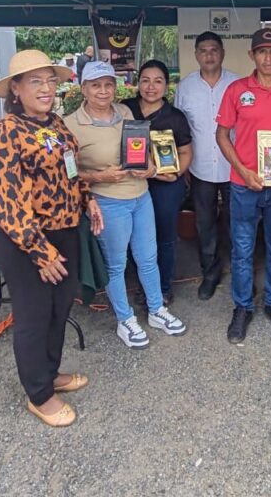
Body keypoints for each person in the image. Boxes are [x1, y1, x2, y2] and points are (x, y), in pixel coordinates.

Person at [0, 50, 104, 428]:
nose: (47, 88)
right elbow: (5, 200)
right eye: (36, 81)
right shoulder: (5, 133)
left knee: (59, 309)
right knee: (34, 316)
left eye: (51, 81)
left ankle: (49, 374)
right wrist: (39, 250)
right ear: (16, 89)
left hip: (65, 232)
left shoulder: (56, 126)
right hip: (27, 243)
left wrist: (88, 198)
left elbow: (68, 174)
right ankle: (38, 394)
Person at [64, 61, 186, 349]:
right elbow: (65, 174)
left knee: (148, 258)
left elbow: (139, 149)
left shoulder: (125, 112)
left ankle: (157, 310)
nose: (103, 91)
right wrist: (98, 176)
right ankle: (125, 319)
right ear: (84, 89)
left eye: (108, 84)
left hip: (141, 195)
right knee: (116, 264)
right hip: (109, 201)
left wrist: (150, 168)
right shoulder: (69, 125)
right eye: (96, 85)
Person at [216, 29, 271, 344]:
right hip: (244, 184)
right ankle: (242, 307)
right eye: (262, 52)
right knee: (242, 249)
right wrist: (242, 169)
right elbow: (222, 135)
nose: (268, 58)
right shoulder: (237, 90)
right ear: (252, 55)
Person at [173, 31, 239, 300]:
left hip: (235, 166)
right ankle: (210, 274)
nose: (209, 55)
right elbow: (180, 130)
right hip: (200, 168)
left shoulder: (238, 84)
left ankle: (240, 273)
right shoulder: (185, 87)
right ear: (196, 55)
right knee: (206, 224)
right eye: (203, 50)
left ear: (222, 53)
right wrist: (183, 164)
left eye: (214, 50)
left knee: (238, 223)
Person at [125, 60, 194, 305]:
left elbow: (186, 153)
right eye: (145, 80)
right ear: (137, 83)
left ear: (167, 86)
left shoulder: (175, 117)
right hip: (130, 184)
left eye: (158, 81)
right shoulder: (125, 109)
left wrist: (176, 174)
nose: (151, 87)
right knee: (133, 236)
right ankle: (143, 285)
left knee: (164, 237)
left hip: (165, 185)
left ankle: (163, 287)